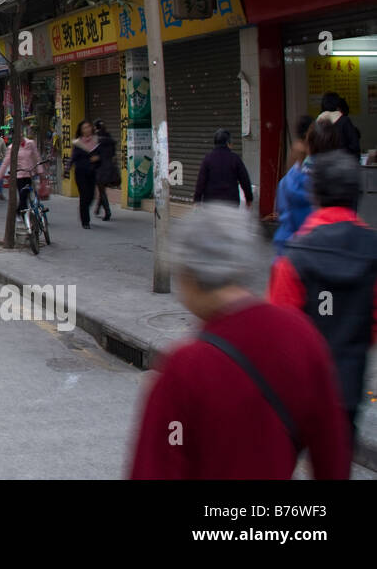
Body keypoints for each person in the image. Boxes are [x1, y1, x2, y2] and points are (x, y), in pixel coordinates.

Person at [128, 203, 351, 479]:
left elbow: (153, 470)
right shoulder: (301, 334)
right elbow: (332, 450)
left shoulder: (184, 369)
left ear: (189, 276)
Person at [269, 151, 377, 437]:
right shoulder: (373, 250)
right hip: (348, 391)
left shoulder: (293, 258)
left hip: (300, 394)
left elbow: (280, 335)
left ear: (315, 195)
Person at [273, 118, 339, 251]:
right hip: (322, 254)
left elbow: (281, 213)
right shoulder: (338, 182)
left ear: (309, 145)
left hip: (288, 253)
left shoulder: (286, 182)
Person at [193, 129, 254, 206]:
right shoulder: (235, 159)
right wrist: (249, 198)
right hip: (231, 203)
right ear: (228, 143)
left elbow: (201, 181)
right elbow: (245, 180)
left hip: (211, 204)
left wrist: (197, 200)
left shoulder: (208, 159)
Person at [0, 131, 40, 214]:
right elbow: (5, 163)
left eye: (21, 135)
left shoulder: (30, 144)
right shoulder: (12, 148)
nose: (20, 138)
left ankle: (21, 212)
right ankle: (22, 214)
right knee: (23, 196)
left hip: (29, 174)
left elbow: (36, 157)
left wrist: (40, 170)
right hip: (19, 175)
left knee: (26, 196)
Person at [70, 121, 99, 230]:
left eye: (88, 127)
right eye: (84, 128)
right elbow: (73, 157)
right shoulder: (78, 143)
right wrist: (68, 168)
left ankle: (84, 209)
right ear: (81, 130)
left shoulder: (96, 141)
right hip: (80, 172)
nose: (87, 129)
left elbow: (102, 154)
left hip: (92, 172)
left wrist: (98, 158)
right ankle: (85, 221)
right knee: (84, 195)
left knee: (91, 195)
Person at [318, 92, 361, 158]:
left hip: (323, 164)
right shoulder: (344, 121)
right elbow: (354, 145)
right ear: (337, 104)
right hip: (344, 162)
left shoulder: (317, 123)